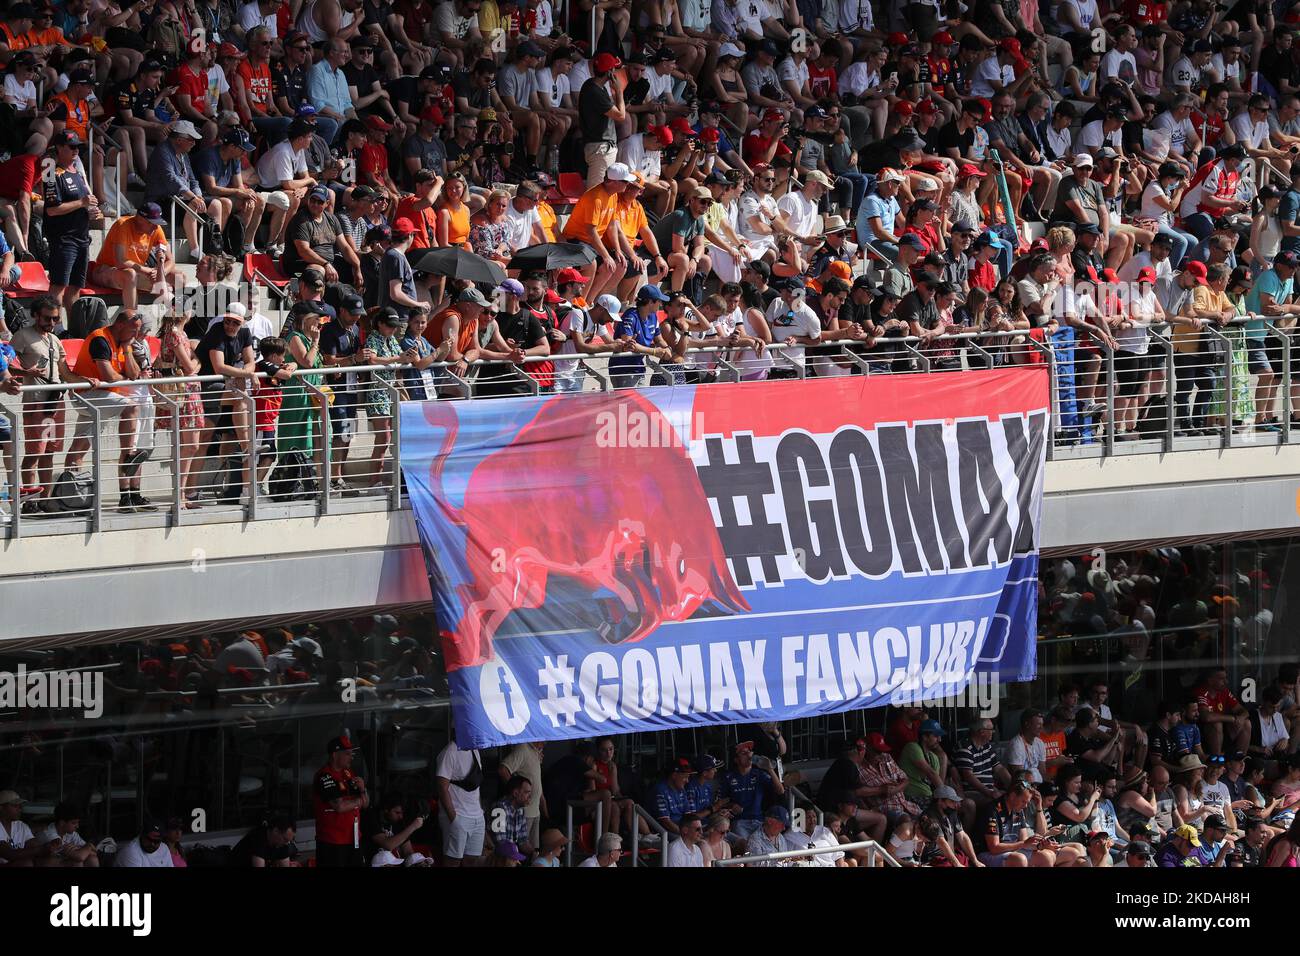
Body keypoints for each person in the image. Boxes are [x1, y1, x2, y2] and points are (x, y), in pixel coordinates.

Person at [312, 733, 368, 866]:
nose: (351, 757)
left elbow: (366, 804)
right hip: (332, 841)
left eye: (351, 754)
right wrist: (360, 801)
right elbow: (340, 807)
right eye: (347, 753)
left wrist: (362, 789)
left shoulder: (348, 773)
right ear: (334, 755)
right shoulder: (324, 775)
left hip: (353, 838)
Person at [229, 815, 299, 867]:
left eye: (289, 840)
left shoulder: (281, 843)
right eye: (285, 839)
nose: (287, 843)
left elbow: (285, 864)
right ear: (276, 831)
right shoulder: (258, 838)